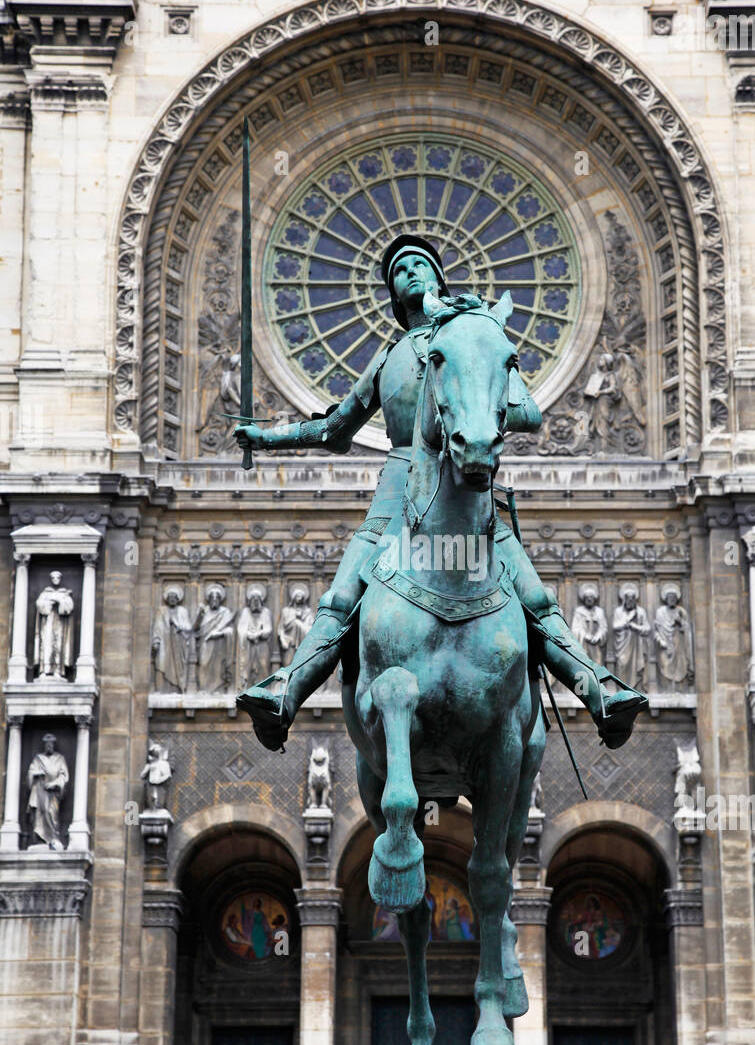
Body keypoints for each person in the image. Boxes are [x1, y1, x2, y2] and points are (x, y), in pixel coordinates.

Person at [235, 234, 647, 750]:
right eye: (399, 270)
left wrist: (478, 410)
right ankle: (285, 692)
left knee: (535, 596)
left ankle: (600, 690)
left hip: (465, 487)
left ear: (438, 281)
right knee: (339, 599)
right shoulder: (389, 358)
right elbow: (335, 429)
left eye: (419, 265)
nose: (409, 272)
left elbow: (529, 413)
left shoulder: (473, 340)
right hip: (393, 495)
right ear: (392, 292)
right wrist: (267, 437)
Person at [26, 733, 69, 851]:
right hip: (39, 791)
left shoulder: (60, 758)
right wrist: (36, 774)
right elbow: (31, 772)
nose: (49, 746)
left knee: (51, 814)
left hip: (53, 793)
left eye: (51, 744)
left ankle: (53, 839)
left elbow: (63, 776)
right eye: (47, 744)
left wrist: (55, 783)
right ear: (45, 746)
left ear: (54, 746)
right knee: (39, 815)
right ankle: (40, 840)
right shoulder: (38, 758)